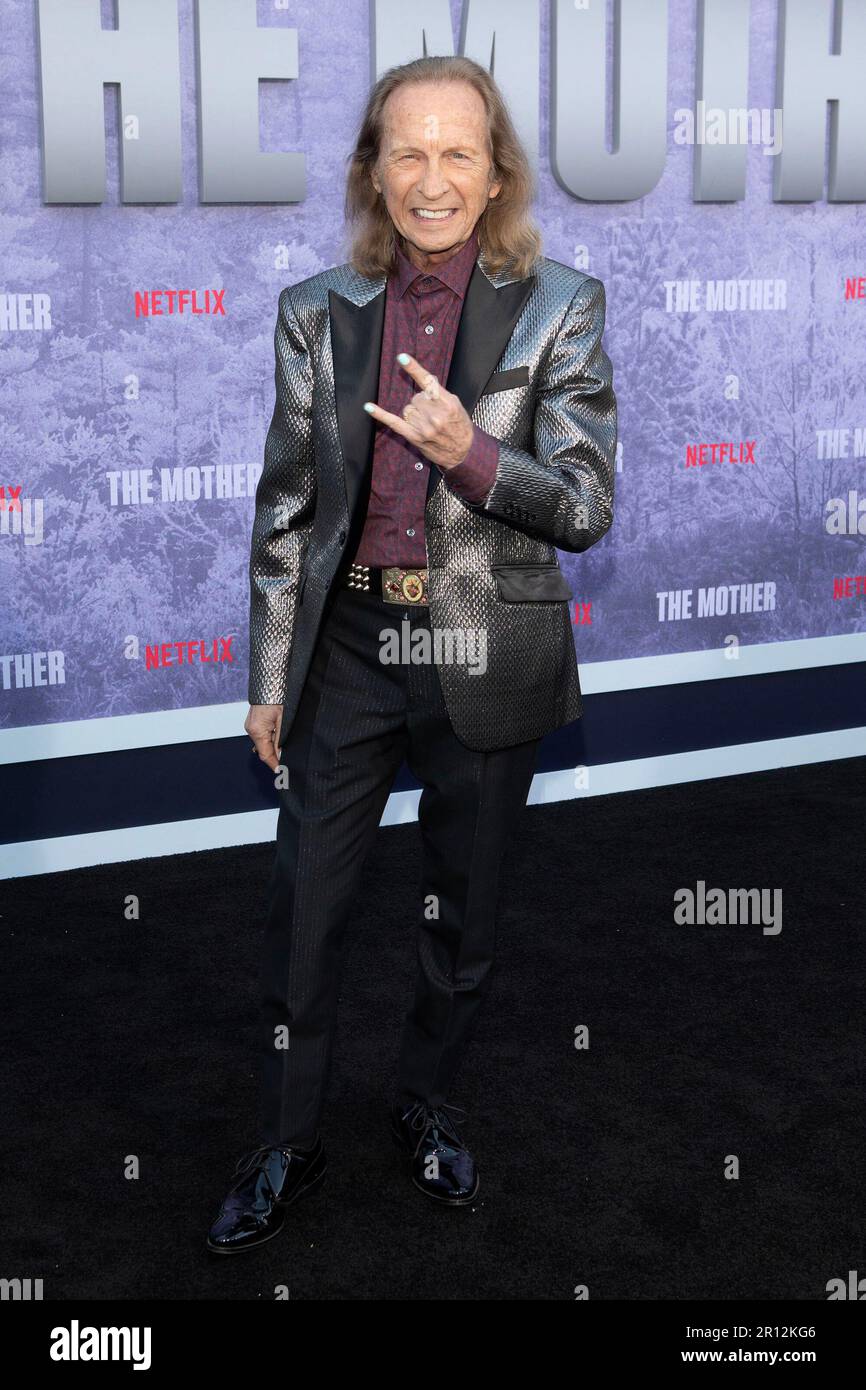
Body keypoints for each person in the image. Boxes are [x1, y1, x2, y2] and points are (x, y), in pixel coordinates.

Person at [207, 53, 616, 1255]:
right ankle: (286, 1138)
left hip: (485, 645)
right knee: (304, 906)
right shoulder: (312, 312)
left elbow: (586, 505)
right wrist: (271, 673)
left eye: (456, 152)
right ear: (371, 171)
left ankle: (426, 1105)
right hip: (348, 646)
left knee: (463, 914)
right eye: (406, 150)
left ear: (494, 175)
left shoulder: (564, 305)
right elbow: (286, 514)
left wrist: (470, 454)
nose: (430, 177)